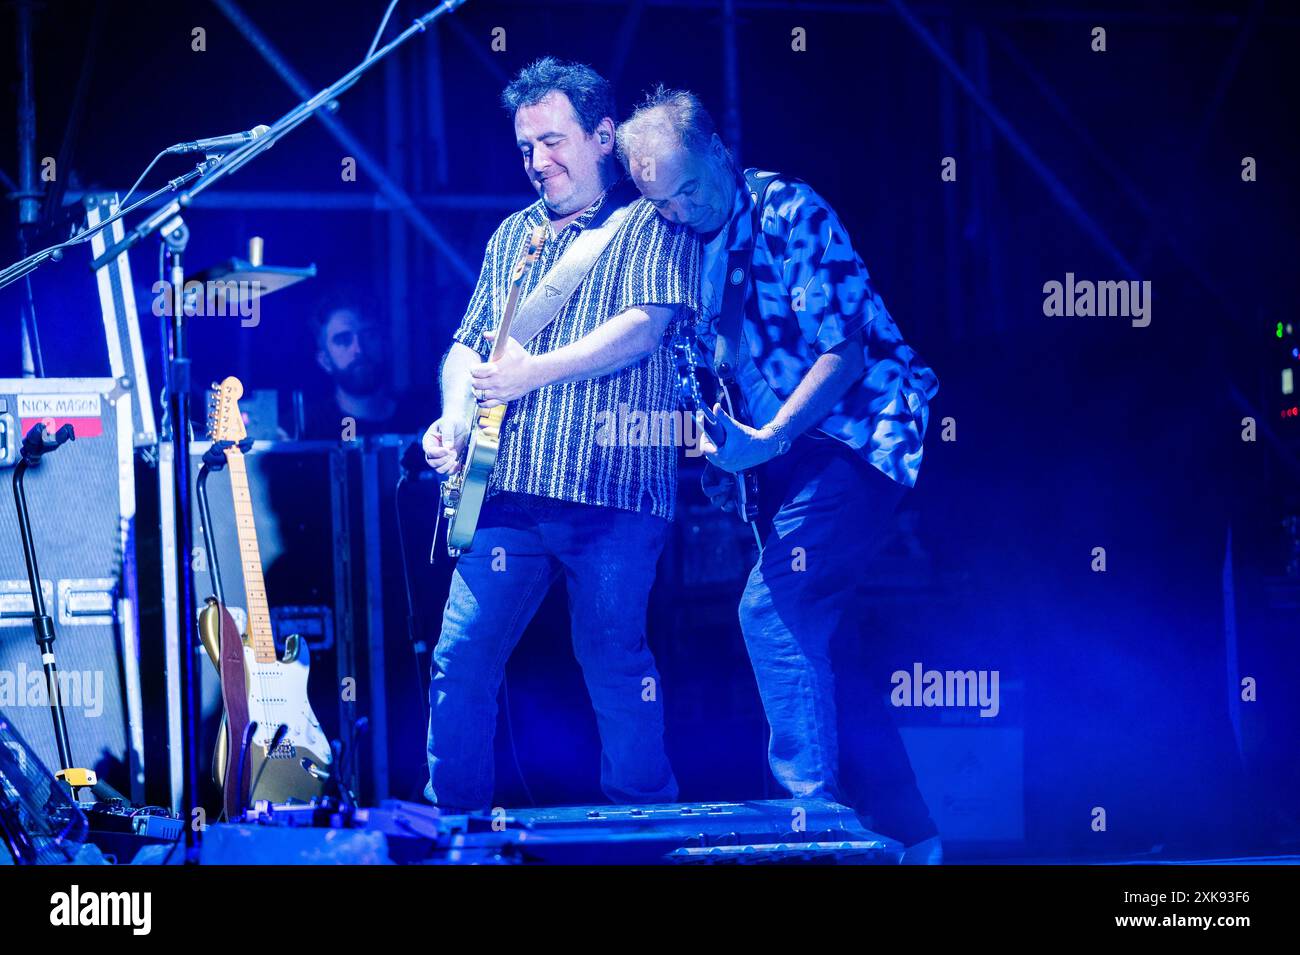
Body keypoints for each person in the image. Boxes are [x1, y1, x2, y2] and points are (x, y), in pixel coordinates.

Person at [617, 87, 944, 862]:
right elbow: (710, 377)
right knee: (822, 647)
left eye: (689, 189)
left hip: (858, 431)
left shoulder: (791, 209)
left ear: (720, 152)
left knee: (772, 610)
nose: (678, 210)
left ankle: (814, 828)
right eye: (659, 200)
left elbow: (845, 353)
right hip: (781, 455)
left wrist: (765, 438)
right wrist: (728, 457)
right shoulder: (674, 247)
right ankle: (914, 836)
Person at [419, 59, 699, 811]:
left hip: (611, 492)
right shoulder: (513, 234)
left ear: (604, 135)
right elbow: (467, 347)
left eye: (552, 141)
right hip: (505, 492)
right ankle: (456, 832)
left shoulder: (650, 215)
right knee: (459, 661)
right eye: (525, 148)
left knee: (613, 662)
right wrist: (451, 416)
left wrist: (529, 373)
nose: (536, 162)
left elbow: (645, 328)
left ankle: (646, 832)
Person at [303, 293, 428, 438]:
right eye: (343, 339)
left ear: (385, 345)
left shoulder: (421, 422)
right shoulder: (304, 431)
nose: (358, 349)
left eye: (369, 335)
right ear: (325, 360)